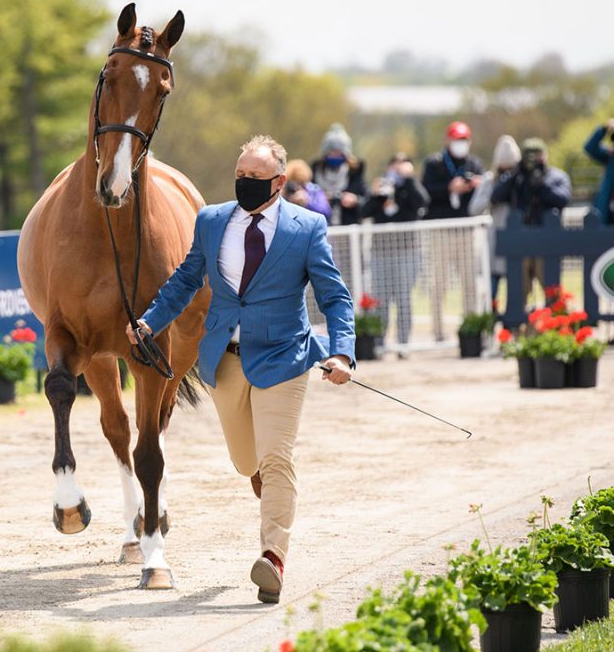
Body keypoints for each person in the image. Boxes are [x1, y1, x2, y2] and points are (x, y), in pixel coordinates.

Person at [126, 135, 355, 604]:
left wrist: (343, 352)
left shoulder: (306, 227)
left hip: (284, 358)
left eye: (256, 177)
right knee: (247, 461)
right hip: (224, 362)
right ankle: (258, 476)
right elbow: (187, 278)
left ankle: (273, 558)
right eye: (240, 175)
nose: (245, 183)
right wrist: (151, 321)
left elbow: (334, 297)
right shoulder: (212, 221)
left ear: (279, 181)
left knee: (276, 459)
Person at [421, 121, 485, 340]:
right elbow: (426, 192)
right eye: (457, 139)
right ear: (448, 140)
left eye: (464, 140)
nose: (461, 144)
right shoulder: (435, 163)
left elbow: (485, 194)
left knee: (470, 282)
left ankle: (471, 329)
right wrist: (449, 187)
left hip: (467, 231)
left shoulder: (474, 163)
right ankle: (438, 332)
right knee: (438, 284)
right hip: (441, 231)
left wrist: (477, 185)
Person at [360, 154, 429, 356]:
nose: (397, 170)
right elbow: (364, 212)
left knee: (404, 298)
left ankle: (403, 344)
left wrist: (409, 180)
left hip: (407, 251)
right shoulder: (382, 186)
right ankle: (380, 344)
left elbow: (423, 202)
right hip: (381, 252)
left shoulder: (410, 187)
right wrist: (375, 195)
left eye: (402, 166)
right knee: (381, 299)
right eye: (394, 166)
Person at [490, 138, 572, 300]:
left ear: (545, 156)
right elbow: (496, 196)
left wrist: (541, 183)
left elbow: (562, 200)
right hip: (522, 240)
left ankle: (556, 323)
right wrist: (515, 174)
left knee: (551, 291)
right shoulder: (517, 178)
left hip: (546, 241)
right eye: (529, 156)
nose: (534, 160)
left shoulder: (556, 176)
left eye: (538, 156)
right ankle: (519, 325)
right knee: (519, 291)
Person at [469, 135, 521, 304]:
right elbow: (474, 209)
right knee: (490, 294)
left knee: (517, 296)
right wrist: (492, 198)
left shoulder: (521, 181)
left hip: (517, 243)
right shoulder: (489, 180)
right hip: (494, 245)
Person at [311, 124, 365, 226]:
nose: (336, 156)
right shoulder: (315, 170)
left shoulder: (355, 171)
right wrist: (321, 199)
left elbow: (365, 200)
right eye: (332, 152)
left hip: (348, 225)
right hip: (321, 225)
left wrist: (355, 200)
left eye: (339, 153)